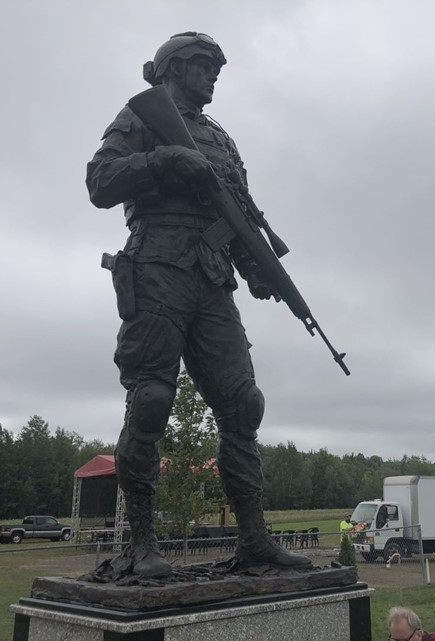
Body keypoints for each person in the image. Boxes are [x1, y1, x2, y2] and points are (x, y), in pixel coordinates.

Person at [85, 32, 309, 578]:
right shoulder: (141, 117)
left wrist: (256, 268)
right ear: (176, 68)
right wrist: (164, 160)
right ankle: (141, 545)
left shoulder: (220, 138)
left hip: (212, 277)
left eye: (215, 69)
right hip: (156, 268)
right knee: (151, 400)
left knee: (243, 405)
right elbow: (100, 181)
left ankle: (254, 541)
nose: (213, 77)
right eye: (205, 66)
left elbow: (238, 211)